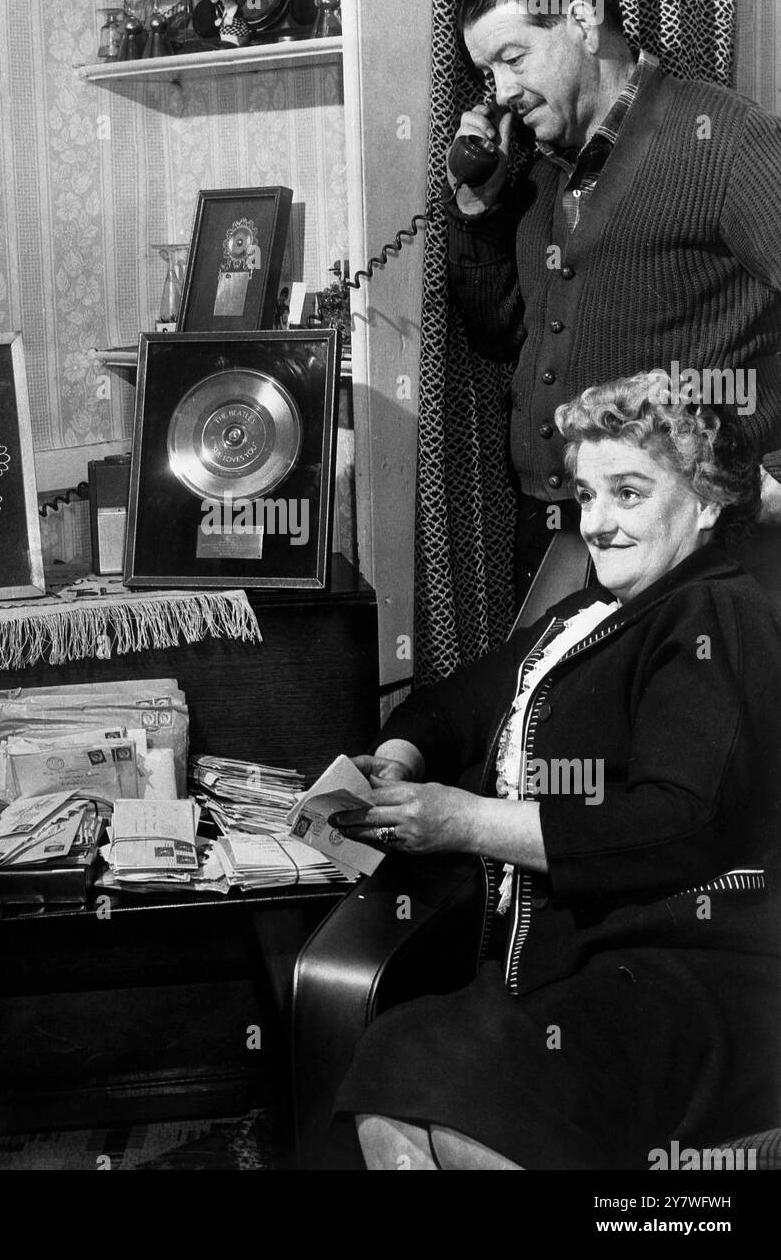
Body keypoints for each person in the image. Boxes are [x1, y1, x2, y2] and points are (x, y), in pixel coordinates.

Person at [331, 371, 781, 1170]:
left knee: (482, 1103)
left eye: (629, 494)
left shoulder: (713, 614)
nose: (598, 525)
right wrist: (398, 755)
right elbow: (465, 699)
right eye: (585, 496)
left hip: (694, 967)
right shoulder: (591, 611)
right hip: (573, 964)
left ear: (708, 501)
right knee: (395, 1067)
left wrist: (463, 821)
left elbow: (678, 823)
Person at [444, 0, 781, 590]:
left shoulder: (729, 140)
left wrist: (748, 457)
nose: (502, 90)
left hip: (685, 539)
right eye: (489, 73)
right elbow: (498, 336)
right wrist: (479, 209)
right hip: (553, 537)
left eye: (513, 58)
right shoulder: (542, 177)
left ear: (580, 21)